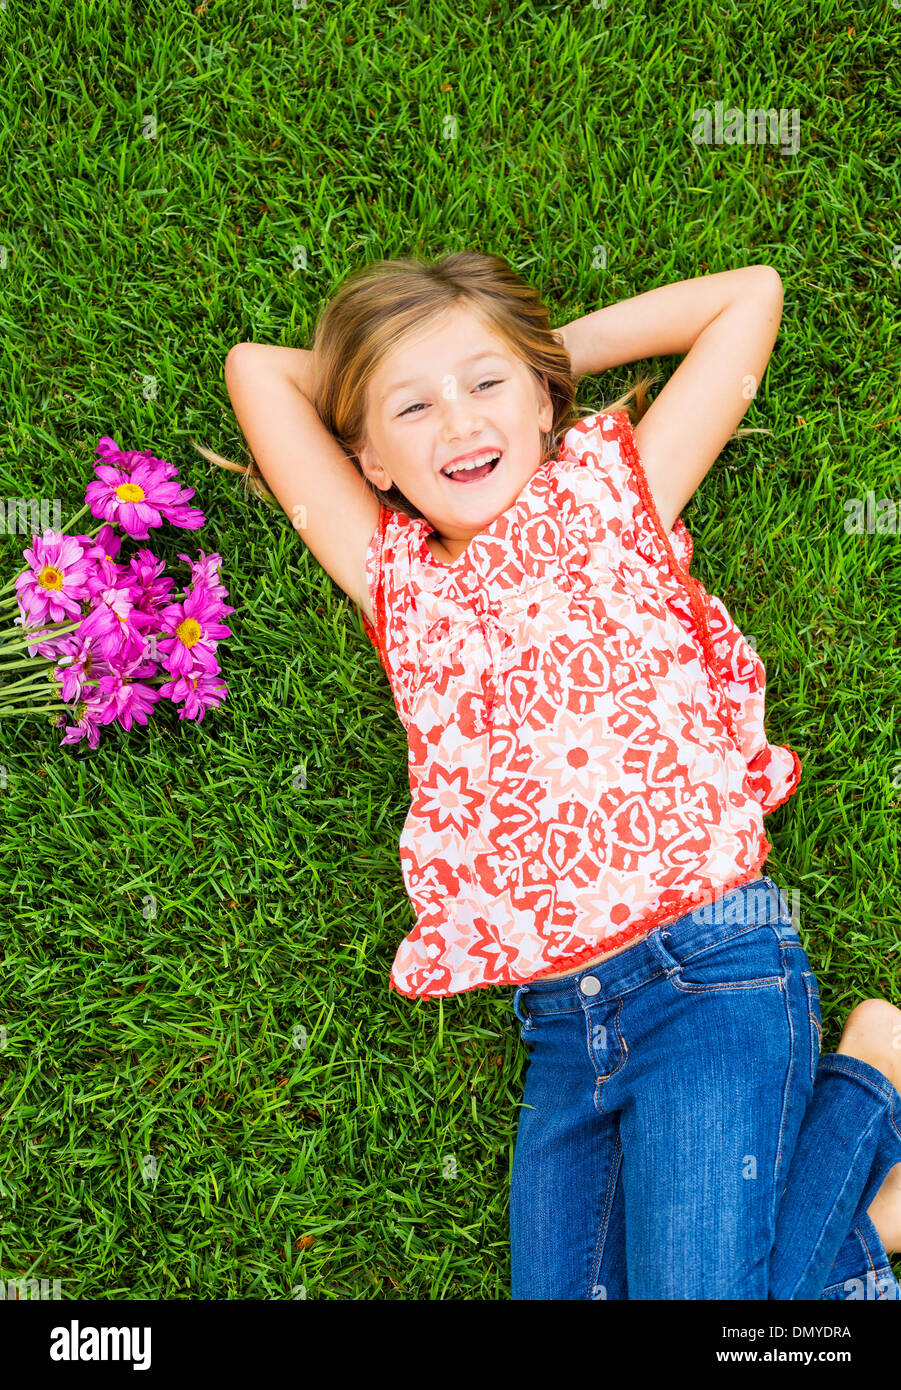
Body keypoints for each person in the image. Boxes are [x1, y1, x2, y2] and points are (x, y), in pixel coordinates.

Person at [198, 251, 901, 1299]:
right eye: (413, 408)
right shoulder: (392, 579)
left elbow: (748, 295)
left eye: (483, 388)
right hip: (564, 1026)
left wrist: (537, 361)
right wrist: (460, 374)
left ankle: (865, 1099)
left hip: (706, 972)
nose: (457, 423)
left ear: (542, 408)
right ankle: (870, 1158)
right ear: (370, 462)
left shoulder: (616, 496)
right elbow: (254, 370)